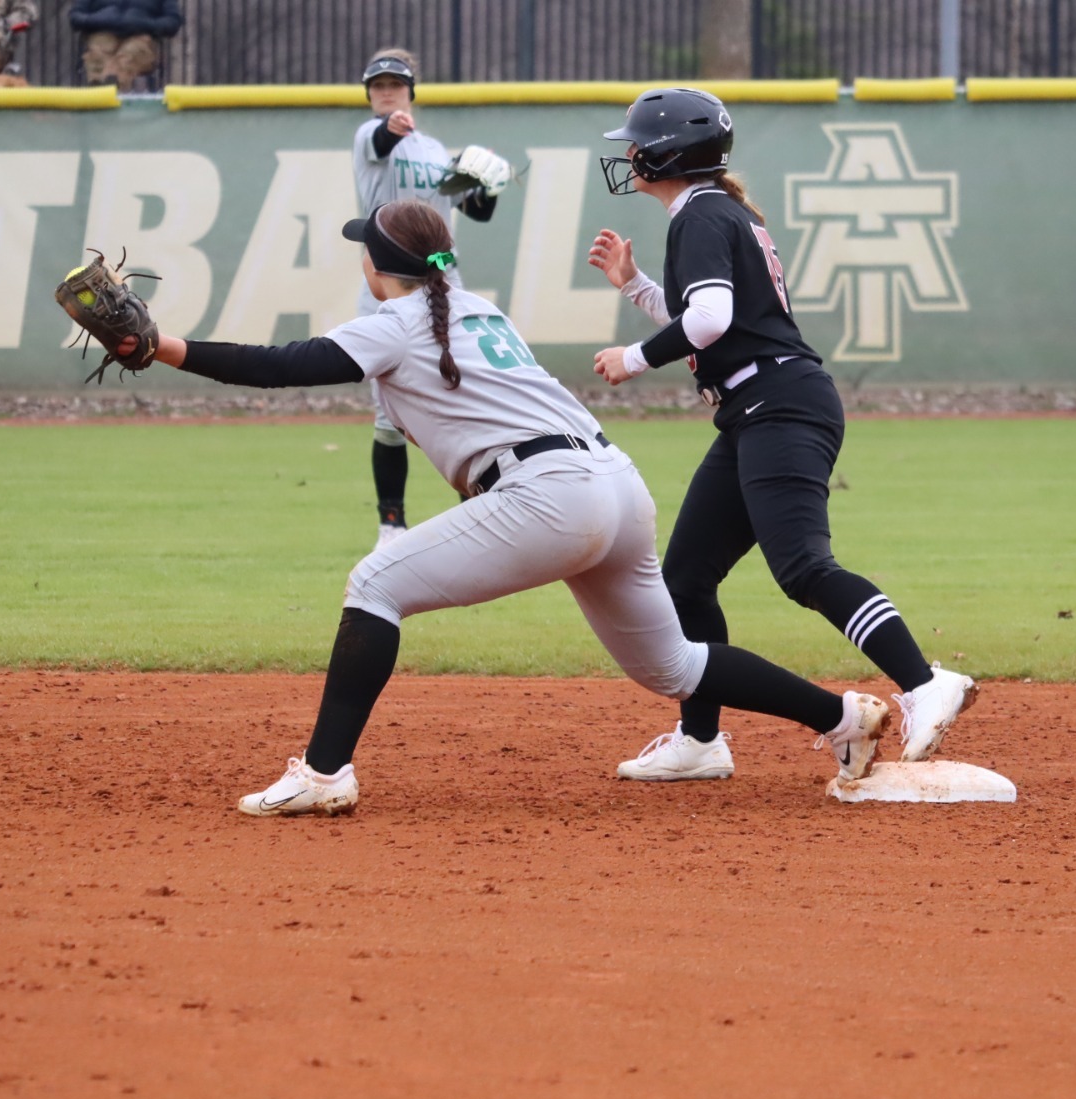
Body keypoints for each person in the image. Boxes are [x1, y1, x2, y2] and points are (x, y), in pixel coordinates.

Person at [104, 200, 891, 816]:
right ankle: (844, 719)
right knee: (675, 666)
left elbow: (280, 367)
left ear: (382, 269)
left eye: (364, 252)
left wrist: (160, 346)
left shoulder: (395, 323)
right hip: (614, 482)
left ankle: (322, 772)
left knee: (376, 583)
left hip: (551, 498)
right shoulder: (475, 309)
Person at [587, 87, 974, 782]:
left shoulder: (701, 213)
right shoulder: (713, 210)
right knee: (686, 578)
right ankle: (700, 741)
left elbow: (707, 319)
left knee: (801, 567)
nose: (630, 154)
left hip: (779, 403)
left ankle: (923, 682)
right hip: (755, 408)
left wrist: (634, 358)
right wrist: (636, 285)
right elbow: (716, 319)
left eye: (639, 143)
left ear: (670, 152)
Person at [352, 48, 512, 547]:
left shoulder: (436, 149)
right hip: (388, 280)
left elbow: (476, 211)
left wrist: (492, 185)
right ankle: (390, 525)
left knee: (466, 395)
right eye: (377, 85)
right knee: (389, 414)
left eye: (394, 84)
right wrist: (390, 124)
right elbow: (382, 136)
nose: (385, 91)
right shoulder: (370, 136)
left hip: (444, 274)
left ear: (411, 91)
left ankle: (480, 509)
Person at [67, 0, 180, 90]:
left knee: (129, 56)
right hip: (102, 32)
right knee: (98, 51)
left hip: (140, 36)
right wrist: (101, 20)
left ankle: (106, 86)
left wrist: (143, 24)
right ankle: (106, 87)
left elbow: (173, 22)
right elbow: (75, 16)